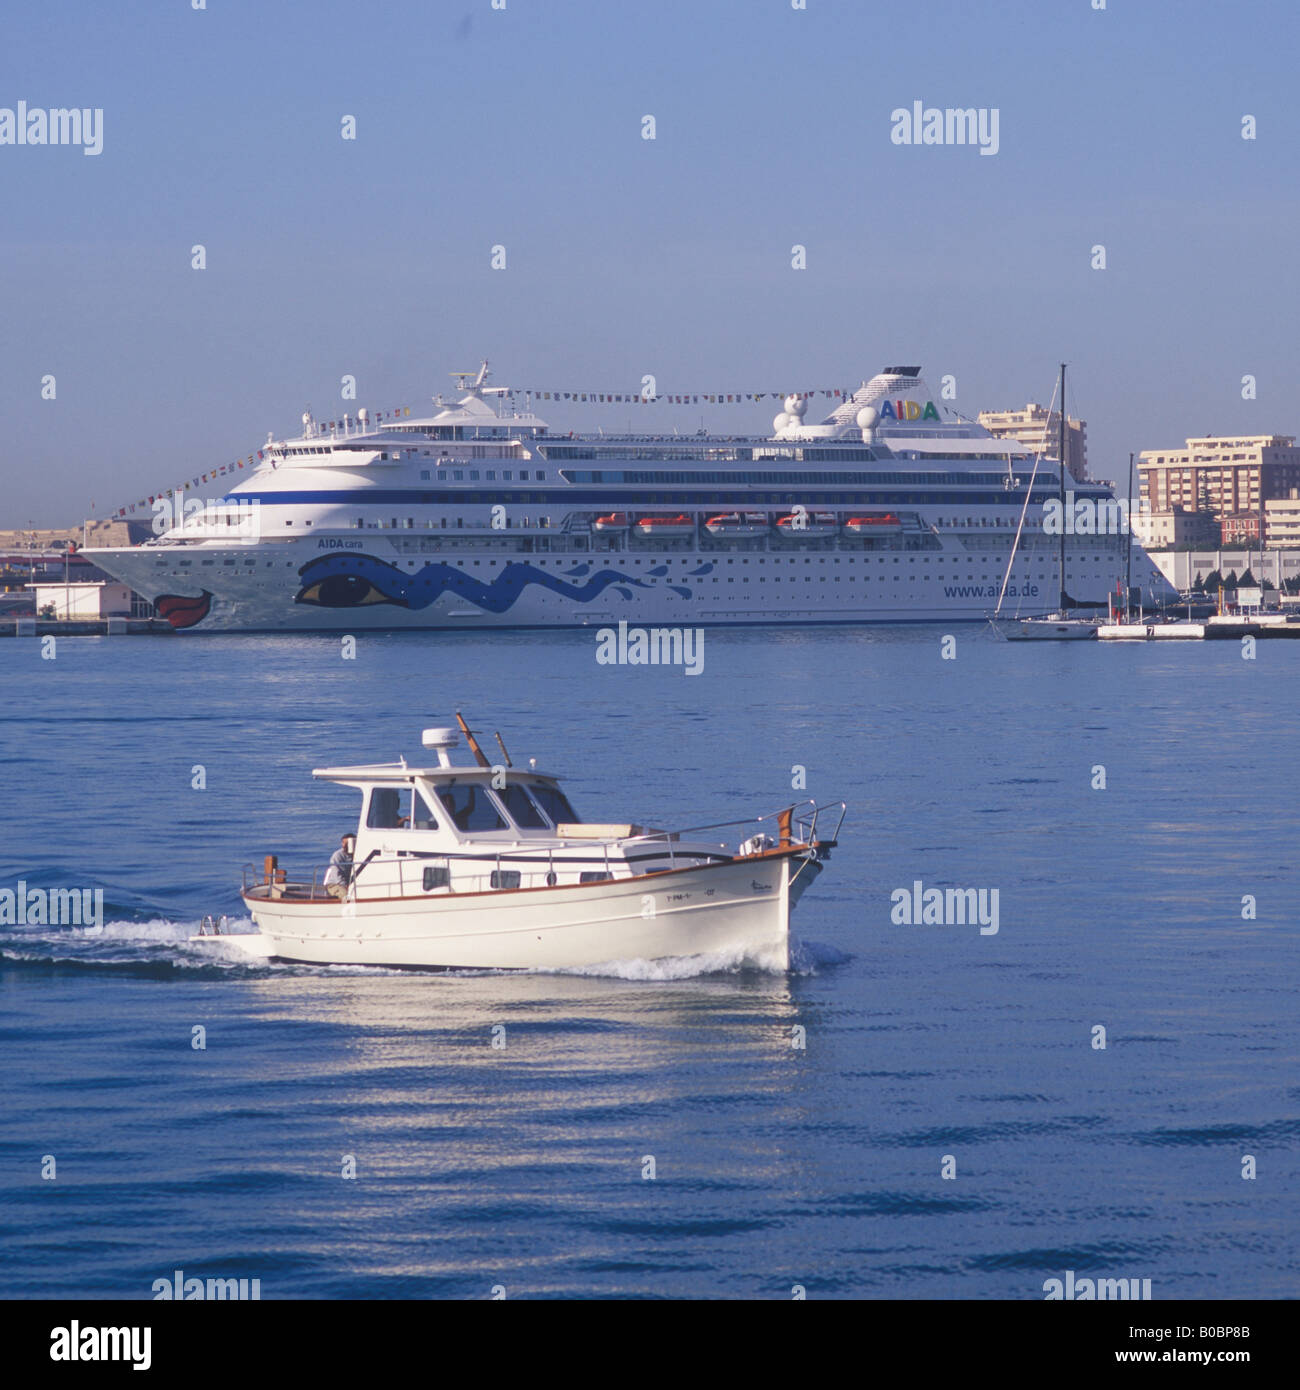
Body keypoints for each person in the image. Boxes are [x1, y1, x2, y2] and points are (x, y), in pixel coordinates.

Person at [324, 834, 355, 899]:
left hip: (350, 884)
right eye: (343, 843)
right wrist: (345, 886)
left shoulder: (356, 855)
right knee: (346, 896)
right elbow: (337, 875)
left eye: (347, 843)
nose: (344, 845)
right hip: (335, 884)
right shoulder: (337, 855)